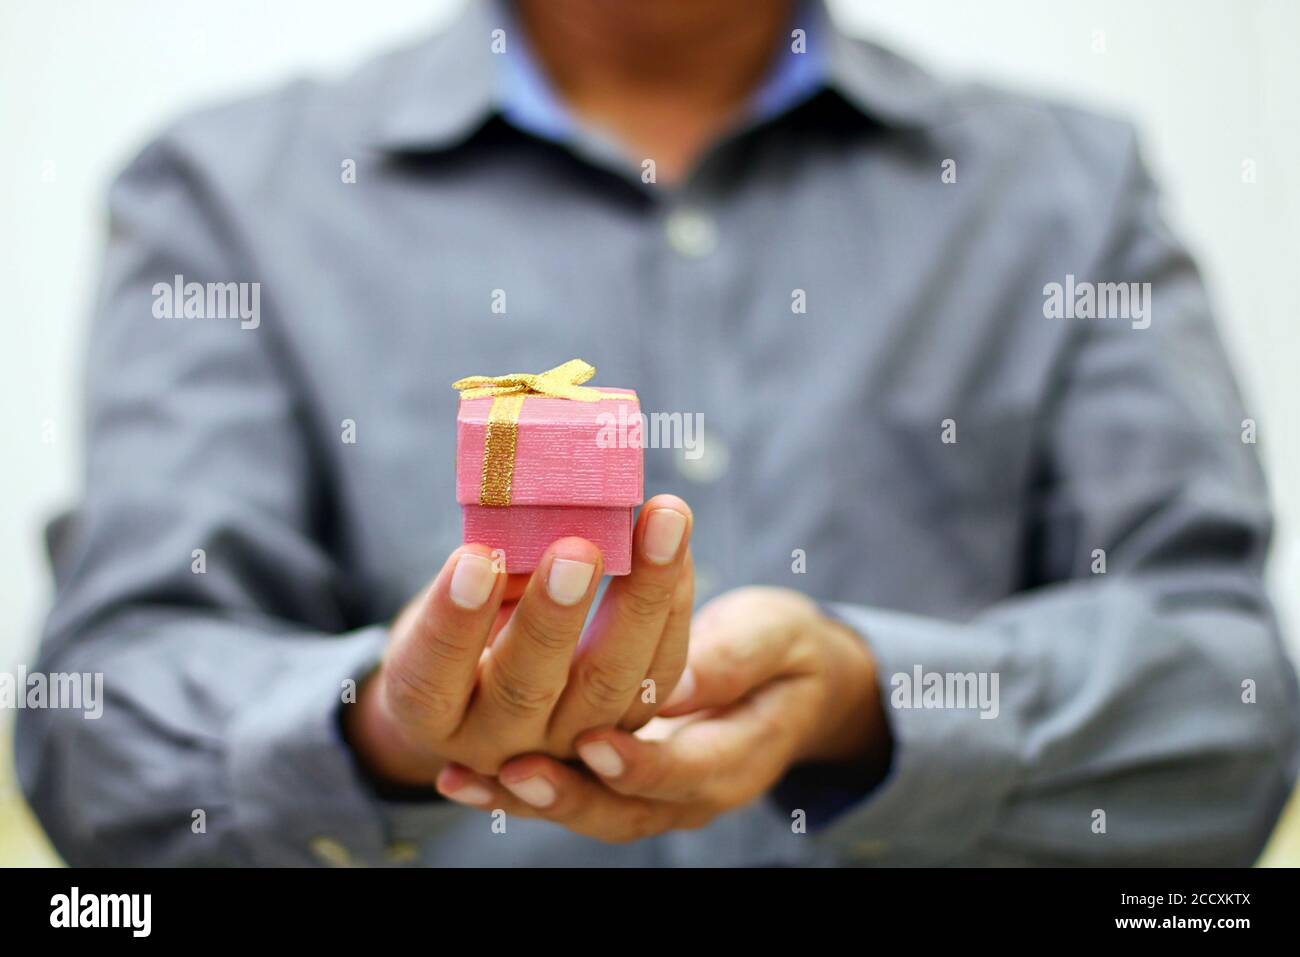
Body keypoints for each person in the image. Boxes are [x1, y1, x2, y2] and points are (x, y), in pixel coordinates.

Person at [17, 0, 1299, 866]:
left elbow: (1228, 706)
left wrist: (873, 700)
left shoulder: (1069, 190)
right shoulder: (225, 191)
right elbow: (96, 727)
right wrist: (369, 725)